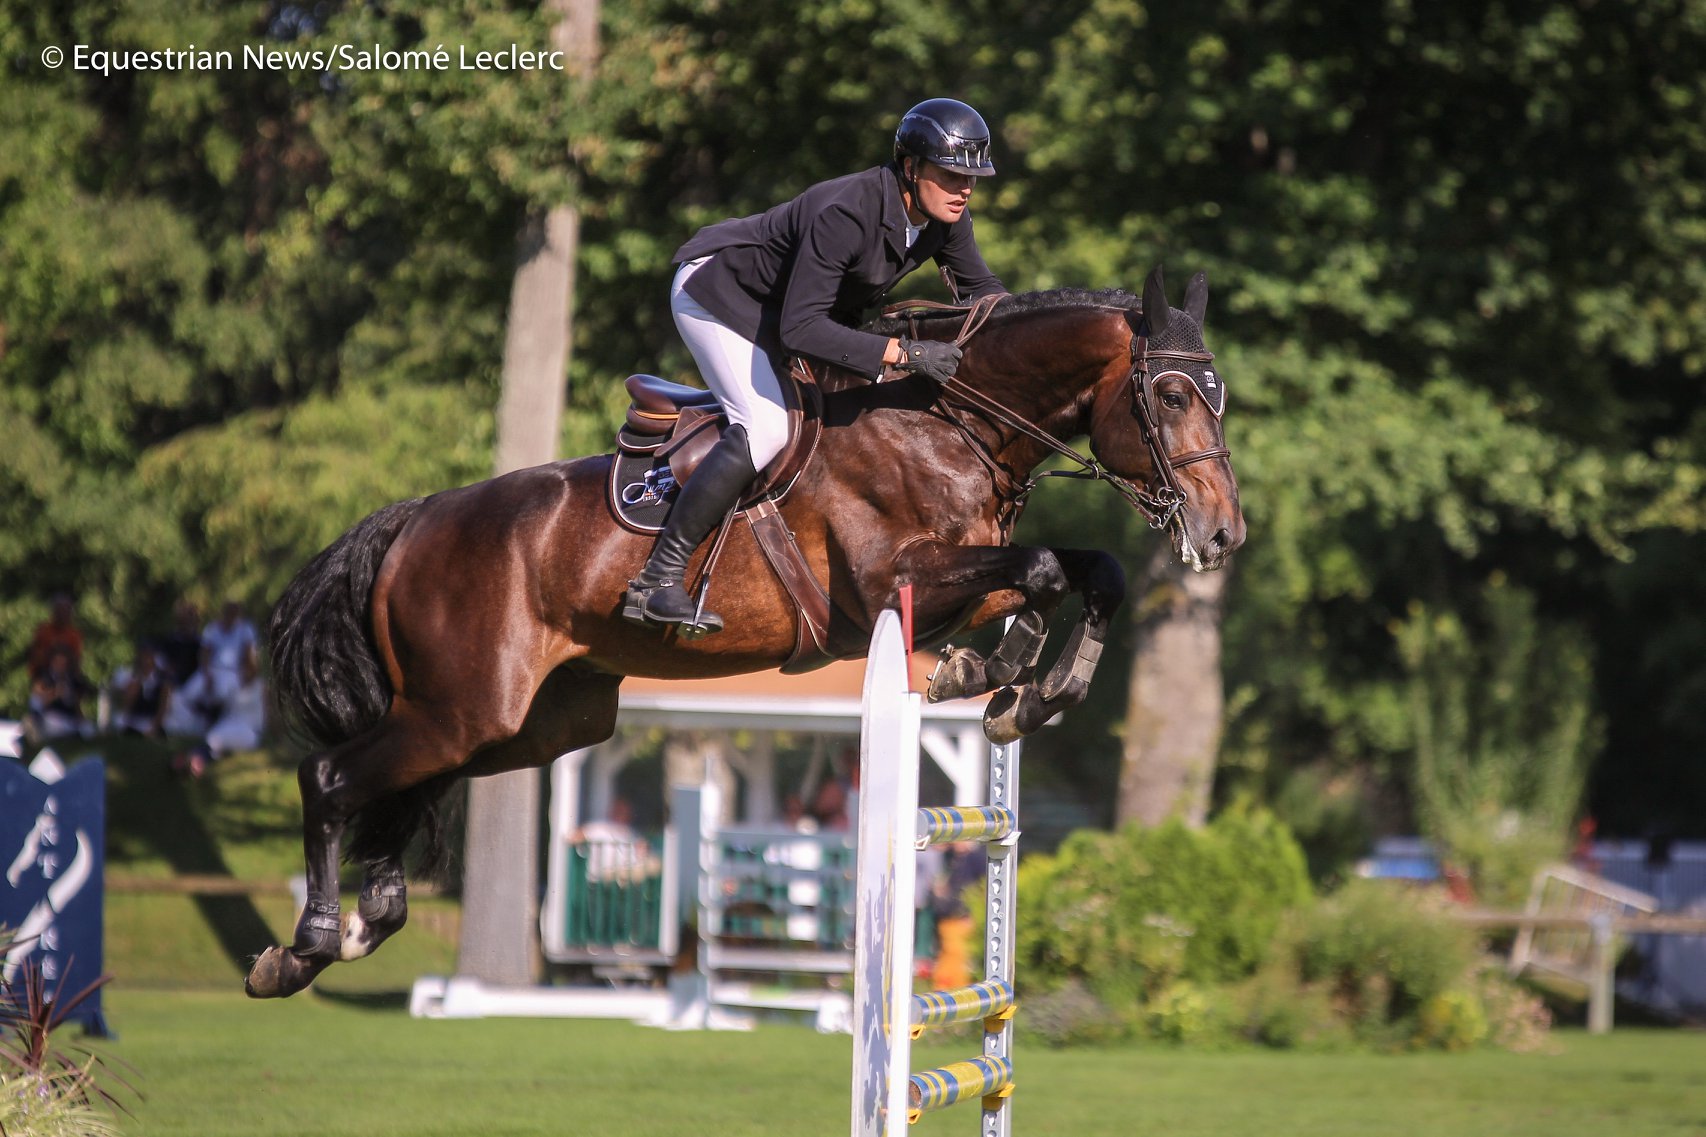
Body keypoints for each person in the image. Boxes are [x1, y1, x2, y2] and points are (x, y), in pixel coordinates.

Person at [623, 98, 1007, 635]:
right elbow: (801, 330)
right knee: (766, 426)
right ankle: (657, 580)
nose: (963, 188)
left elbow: (985, 294)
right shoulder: (847, 211)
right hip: (717, 292)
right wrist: (905, 354)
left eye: (972, 177)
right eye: (950, 174)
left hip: (785, 308)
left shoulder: (947, 219)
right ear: (911, 167)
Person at [24, 644, 96, 744]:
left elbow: (77, 701)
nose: (61, 666)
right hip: (49, 715)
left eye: (63, 663)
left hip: (69, 716)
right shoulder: (44, 678)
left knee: (88, 729)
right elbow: (38, 701)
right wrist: (55, 693)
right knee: (54, 723)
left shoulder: (71, 678)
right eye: (58, 662)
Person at [112, 641, 174, 738]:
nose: (146, 659)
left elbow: (164, 705)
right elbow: (122, 703)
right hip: (133, 719)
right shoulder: (129, 675)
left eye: (149, 655)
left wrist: (154, 726)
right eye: (143, 655)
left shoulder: (162, 679)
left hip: (151, 719)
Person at [199, 601, 258, 691]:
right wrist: (207, 675)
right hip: (211, 672)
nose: (231, 617)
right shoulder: (211, 628)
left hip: (233, 673)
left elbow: (251, 659)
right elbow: (204, 655)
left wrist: (247, 675)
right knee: (190, 694)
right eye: (228, 613)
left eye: (234, 614)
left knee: (221, 694)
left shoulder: (245, 630)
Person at [26, 593, 84, 678]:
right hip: (43, 675)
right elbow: (35, 657)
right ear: (54, 612)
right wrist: (53, 651)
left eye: (67, 611)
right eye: (60, 611)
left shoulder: (74, 634)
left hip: (66, 677)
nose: (63, 615)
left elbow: (77, 660)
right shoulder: (43, 631)